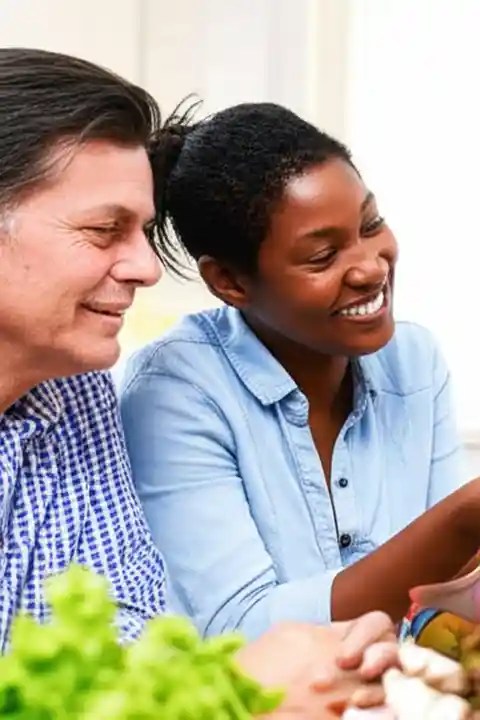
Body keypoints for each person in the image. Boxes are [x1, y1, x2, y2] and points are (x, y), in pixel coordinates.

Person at [117, 101, 480, 642]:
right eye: (322, 256)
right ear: (230, 282)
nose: (372, 266)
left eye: (370, 224)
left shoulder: (412, 361)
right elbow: (240, 631)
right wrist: (458, 523)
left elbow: (440, 593)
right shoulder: (175, 392)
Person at [0, 47, 397, 715]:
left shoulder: (74, 394)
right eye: (105, 231)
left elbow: (121, 636)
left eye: (144, 232)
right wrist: (233, 695)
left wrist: (287, 674)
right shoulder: (168, 386)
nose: (146, 268)